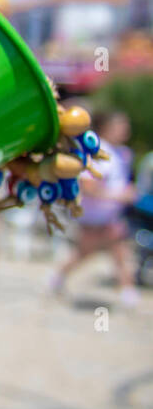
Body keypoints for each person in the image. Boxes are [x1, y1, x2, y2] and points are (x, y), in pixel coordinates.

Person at [50, 109, 140, 306]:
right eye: (120, 125)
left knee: (117, 251)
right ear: (107, 128)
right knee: (89, 252)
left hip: (109, 216)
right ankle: (58, 277)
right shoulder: (97, 152)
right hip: (94, 215)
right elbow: (88, 186)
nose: (125, 130)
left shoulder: (123, 153)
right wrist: (118, 195)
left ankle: (127, 290)